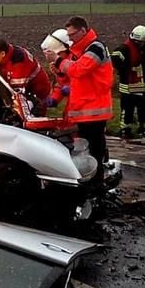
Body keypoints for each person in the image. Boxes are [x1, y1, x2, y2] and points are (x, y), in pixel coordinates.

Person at [54, 16, 114, 183]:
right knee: (90, 148)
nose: (70, 38)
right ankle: (93, 180)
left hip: (94, 109)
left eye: (72, 34)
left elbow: (79, 70)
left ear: (82, 31)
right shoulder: (82, 50)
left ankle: (96, 182)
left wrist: (59, 61)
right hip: (87, 108)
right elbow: (72, 74)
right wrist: (59, 68)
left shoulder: (95, 48)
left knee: (94, 149)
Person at [0, 39, 52, 116]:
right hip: (28, 86)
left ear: (2, 53)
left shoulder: (18, 63)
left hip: (37, 90)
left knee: (30, 114)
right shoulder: (9, 53)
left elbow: (17, 92)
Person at [110, 26, 145, 138]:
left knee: (144, 109)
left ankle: (144, 127)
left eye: (142, 42)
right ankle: (125, 129)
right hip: (128, 86)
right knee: (127, 109)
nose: (141, 44)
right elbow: (114, 59)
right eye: (138, 42)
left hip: (143, 85)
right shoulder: (125, 48)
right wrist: (124, 68)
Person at [40, 29, 72, 112]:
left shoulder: (74, 61)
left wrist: (71, 88)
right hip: (74, 108)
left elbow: (82, 82)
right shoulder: (61, 64)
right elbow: (61, 85)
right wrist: (54, 98)